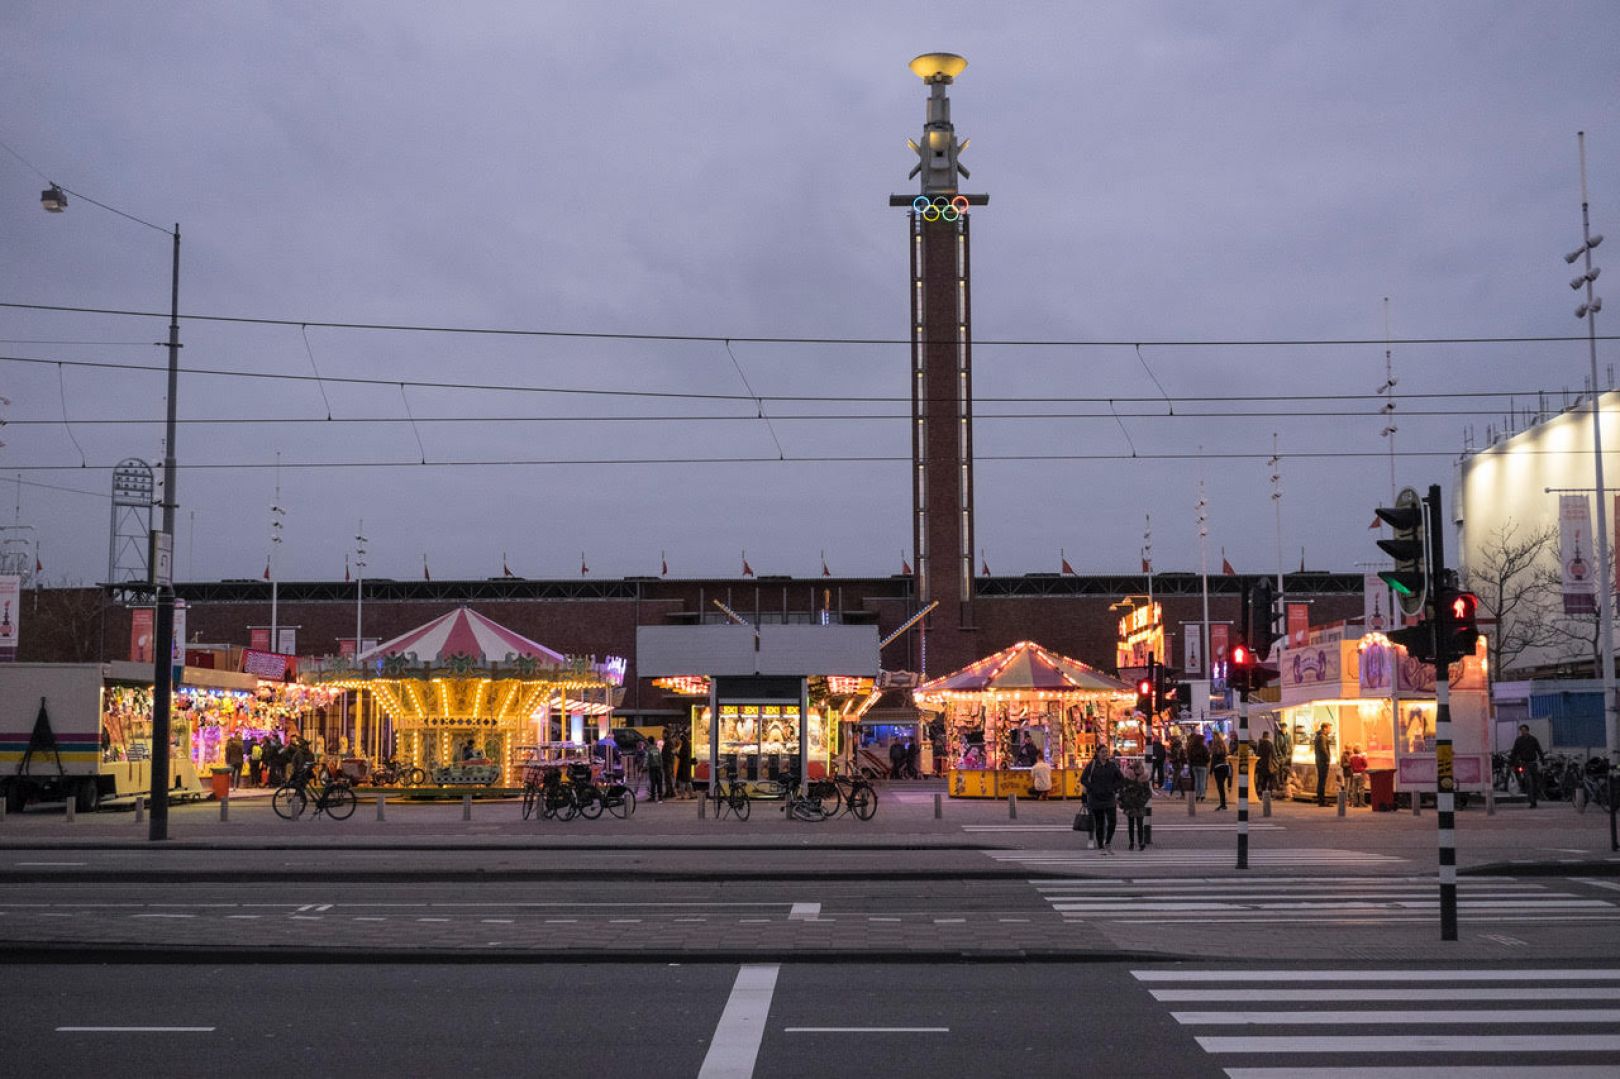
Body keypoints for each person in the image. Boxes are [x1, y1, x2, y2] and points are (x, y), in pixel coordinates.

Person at [1080, 744, 1125, 854]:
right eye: (1103, 752)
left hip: (1109, 797)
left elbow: (1121, 779)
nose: (1105, 754)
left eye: (1106, 752)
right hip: (1096, 798)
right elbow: (1083, 779)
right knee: (1099, 823)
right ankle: (1101, 846)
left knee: (1112, 821)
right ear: (1098, 753)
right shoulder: (1093, 765)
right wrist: (1093, 788)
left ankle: (1108, 842)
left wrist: (1113, 788)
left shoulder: (1112, 765)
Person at [1119, 758, 1152, 850]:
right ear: (1134, 768)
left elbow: (1148, 793)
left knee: (1139, 824)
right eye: (1138, 768)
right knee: (1131, 824)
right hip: (1130, 804)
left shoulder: (1144, 778)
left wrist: (1142, 800)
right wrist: (1123, 800)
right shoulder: (1129, 778)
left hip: (1138, 805)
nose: (1140, 770)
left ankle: (1140, 842)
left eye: (1141, 768)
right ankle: (1132, 842)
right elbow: (1123, 790)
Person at [1510, 723, 1545, 808]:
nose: (1523, 732)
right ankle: (1532, 801)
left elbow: (1539, 750)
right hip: (1524, 764)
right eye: (1521, 730)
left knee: (1535, 782)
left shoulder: (1533, 739)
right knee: (1529, 782)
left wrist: (1543, 761)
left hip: (1533, 763)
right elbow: (1514, 752)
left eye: (1524, 730)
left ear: (1527, 730)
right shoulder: (1518, 740)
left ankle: (1535, 799)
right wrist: (1512, 764)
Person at [1313, 723, 1333, 806]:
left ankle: (1320, 798)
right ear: (1325, 728)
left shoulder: (1319, 736)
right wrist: (1328, 759)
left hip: (1319, 760)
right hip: (1323, 761)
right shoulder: (1322, 737)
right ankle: (1321, 800)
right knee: (1322, 781)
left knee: (1321, 780)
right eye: (1329, 728)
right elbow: (1323, 749)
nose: (1330, 730)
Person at [1210, 731, 1231, 811]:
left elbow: (1213, 759)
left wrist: (1211, 771)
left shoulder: (1215, 747)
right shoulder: (1224, 746)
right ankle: (1223, 804)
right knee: (1222, 787)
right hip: (1225, 767)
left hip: (1218, 768)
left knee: (1220, 787)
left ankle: (1223, 804)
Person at [1187, 732, 1211, 801]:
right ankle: (1202, 795)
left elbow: (1190, 757)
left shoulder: (1192, 747)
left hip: (1194, 766)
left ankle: (1197, 795)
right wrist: (1205, 762)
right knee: (1202, 781)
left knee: (1197, 781)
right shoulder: (1204, 748)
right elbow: (1207, 758)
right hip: (1202, 766)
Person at [1254, 731, 1275, 799]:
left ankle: (1262, 794)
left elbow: (1258, 755)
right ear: (1268, 736)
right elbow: (1274, 755)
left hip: (1262, 766)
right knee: (1270, 780)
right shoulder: (1270, 744)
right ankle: (1270, 794)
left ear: (1263, 736)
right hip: (1269, 766)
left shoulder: (1260, 744)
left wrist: (1258, 764)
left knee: (1264, 781)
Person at [643, 738, 664, 802]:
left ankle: (653, 797)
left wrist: (644, 766)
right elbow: (660, 758)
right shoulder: (657, 749)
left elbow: (647, 758)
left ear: (649, 742)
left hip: (652, 767)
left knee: (653, 782)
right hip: (658, 767)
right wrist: (661, 766)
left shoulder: (649, 749)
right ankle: (660, 796)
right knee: (659, 782)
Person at [675, 734, 694, 799]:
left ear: (682, 740)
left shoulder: (684, 746)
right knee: (688, 781)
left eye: (680, 740)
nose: (679, 741)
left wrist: (676, 753)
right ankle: (691, 795)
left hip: (683, 766)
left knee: (682, 781)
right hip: (687, 765)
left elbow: (682, 756)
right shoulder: (687, 745)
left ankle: (682, 795)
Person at [661, 733, 677, 799]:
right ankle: (670, 791)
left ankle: (670, 792)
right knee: (668, 778)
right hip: (669, 763)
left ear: (666, 734)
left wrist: (667, 761)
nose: (662, 736)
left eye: (663, 734)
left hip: (668, 763)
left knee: (668, 778)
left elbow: (669, 753)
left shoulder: (668, 743)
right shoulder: (669, 742)